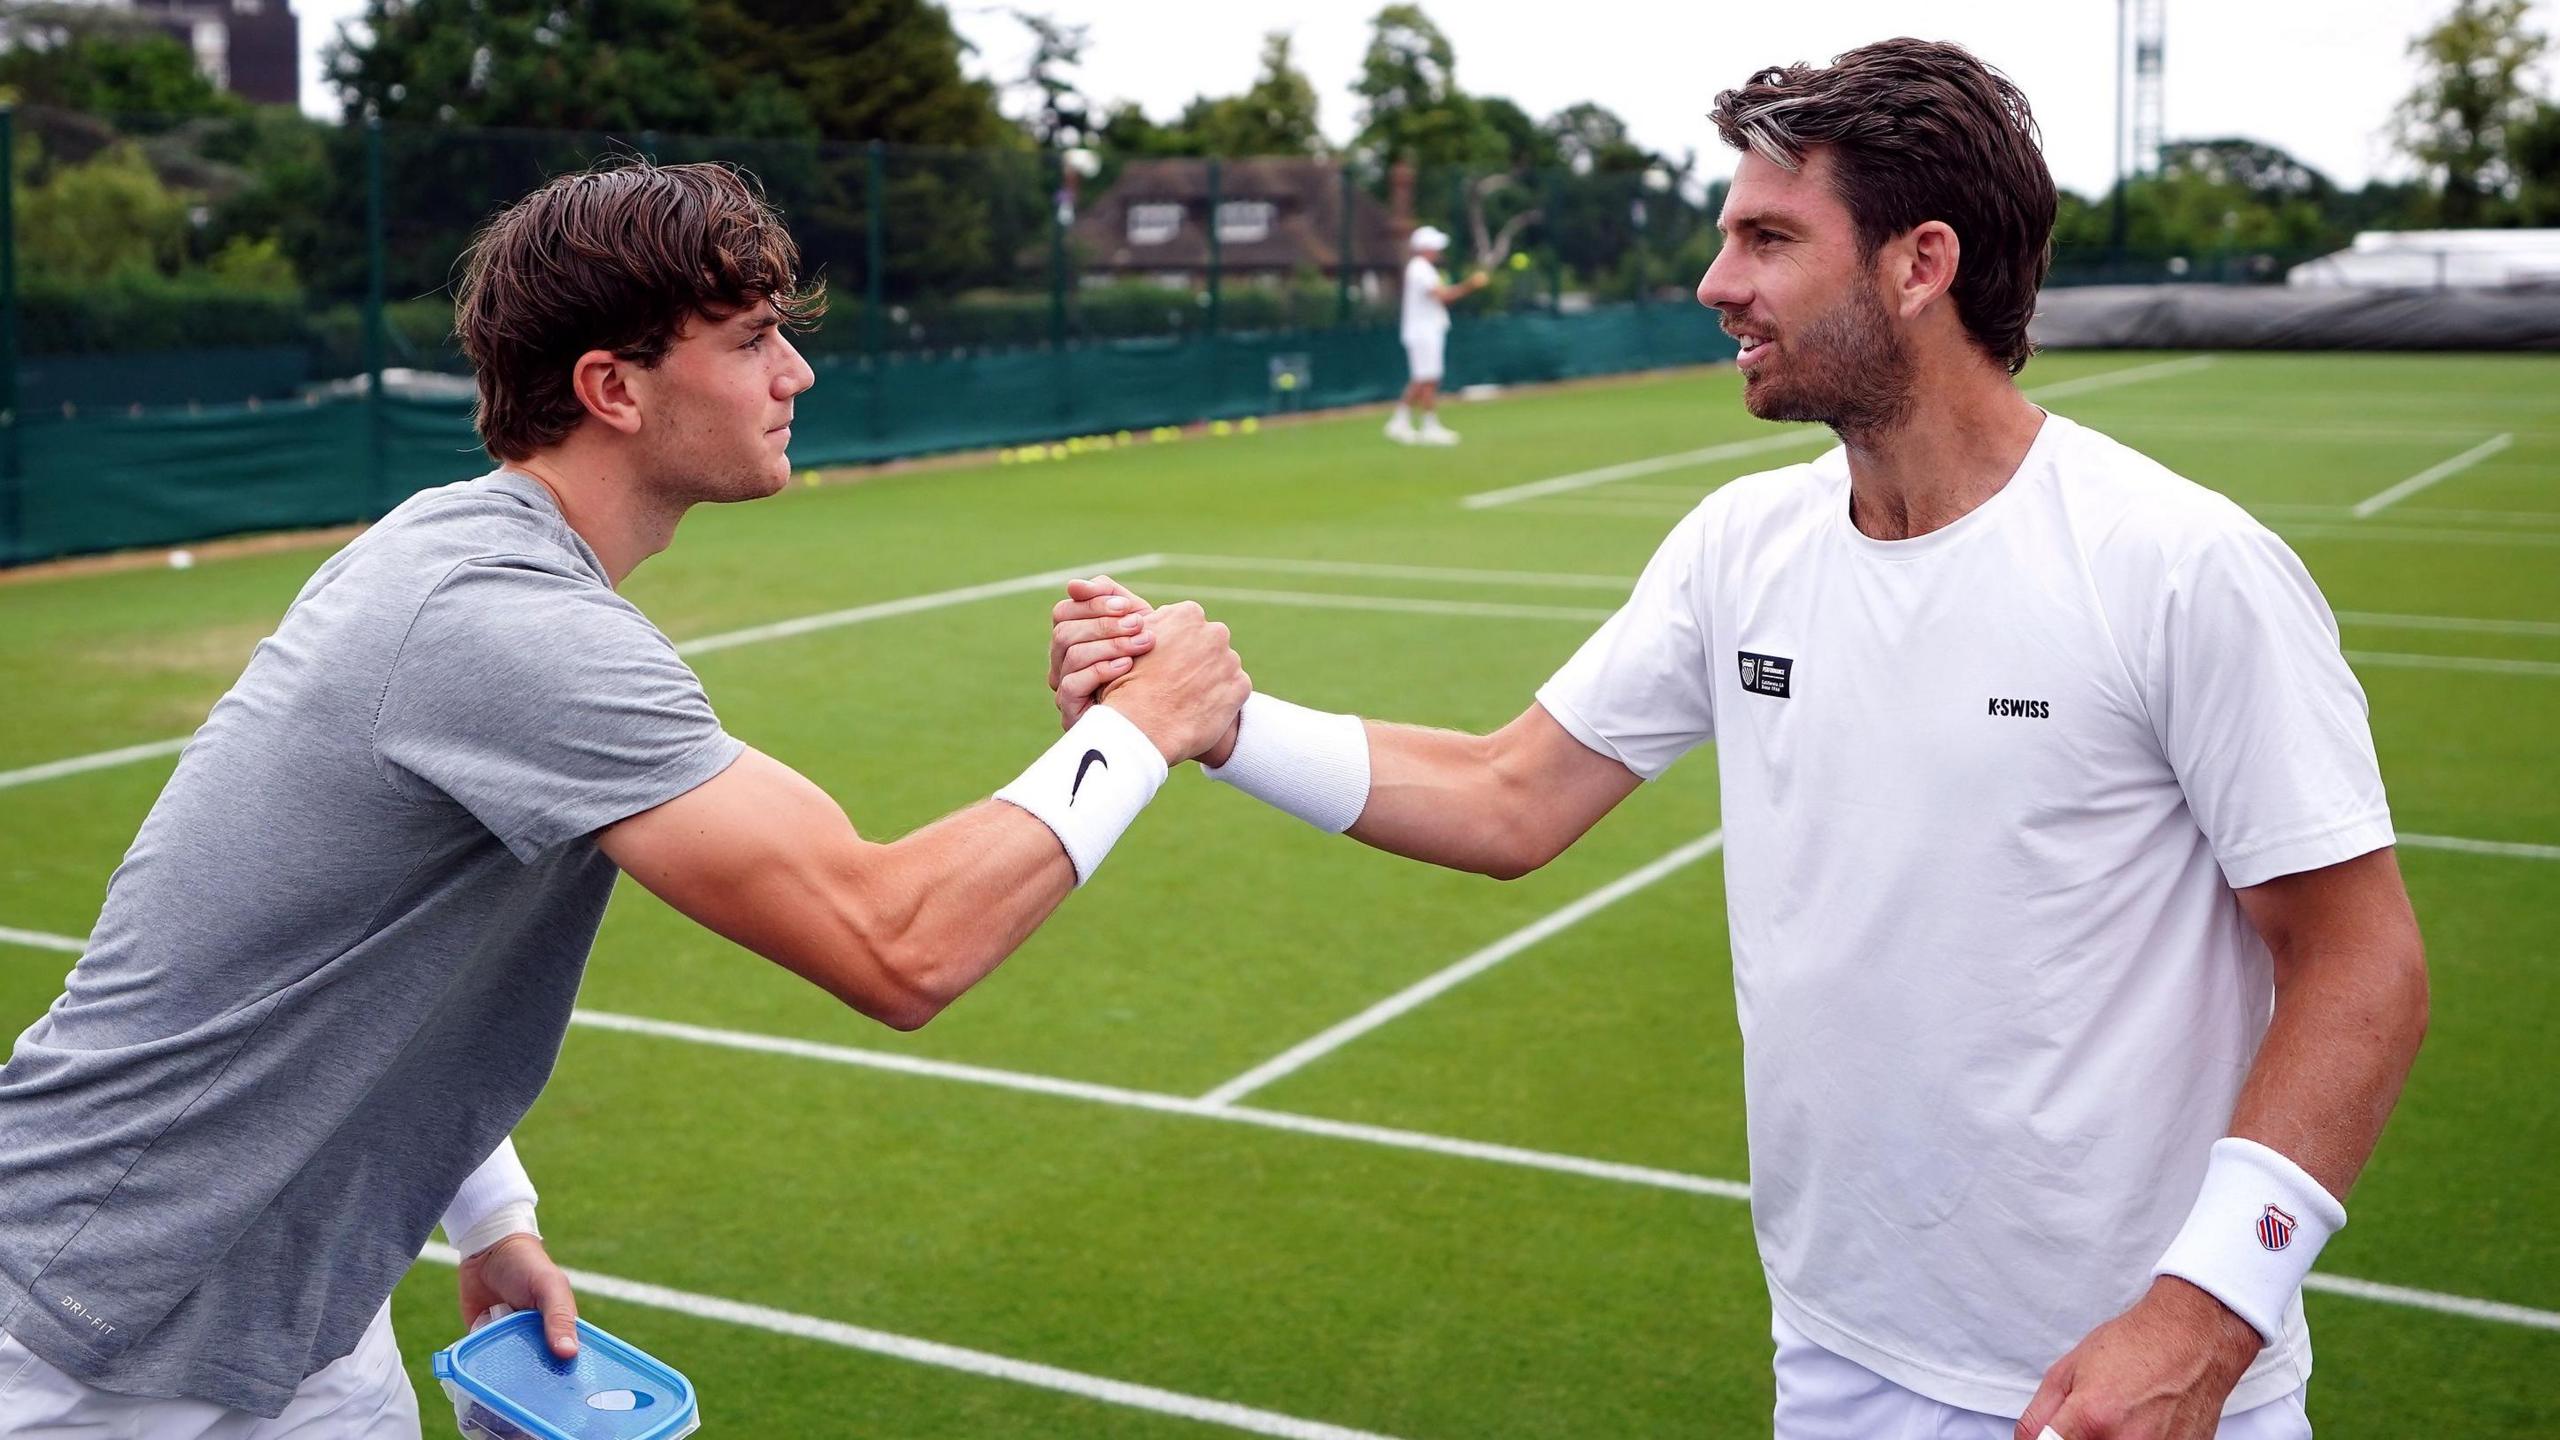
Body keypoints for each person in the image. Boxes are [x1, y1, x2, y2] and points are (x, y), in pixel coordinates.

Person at [1052, 39, 2426, 1440]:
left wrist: (2205, 1315)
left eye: (1768, 239)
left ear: (1921, 262)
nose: (1718, 286)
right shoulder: (1740, 546)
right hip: (1833, 1351)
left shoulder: (2183, 565)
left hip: (2128, 1386)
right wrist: (1216, 724)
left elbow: (2362, 958)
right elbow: (1507, 793)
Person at [0, 161, 1247, 1437]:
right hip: (93, 1334)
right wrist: (1145, 730)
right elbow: (899, 941)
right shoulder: (503, 625)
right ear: (612, 389)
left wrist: (489, 1216)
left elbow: (363, 955)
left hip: (306, 1314)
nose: (795, 375)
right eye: (754, 340)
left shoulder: (467, 560)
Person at [1386, 225, 1490, 446]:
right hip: (1422, 331)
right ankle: (1427, 426)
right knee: (1427, 379)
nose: (1439, 250)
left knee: (1423, 378)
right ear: (1425, 247)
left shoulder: (1423, 268)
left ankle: (1400, 421)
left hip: (1427, 329)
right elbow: (1442, 296)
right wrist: (1471, 285)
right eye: (1435, 246)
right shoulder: (1420, 269)